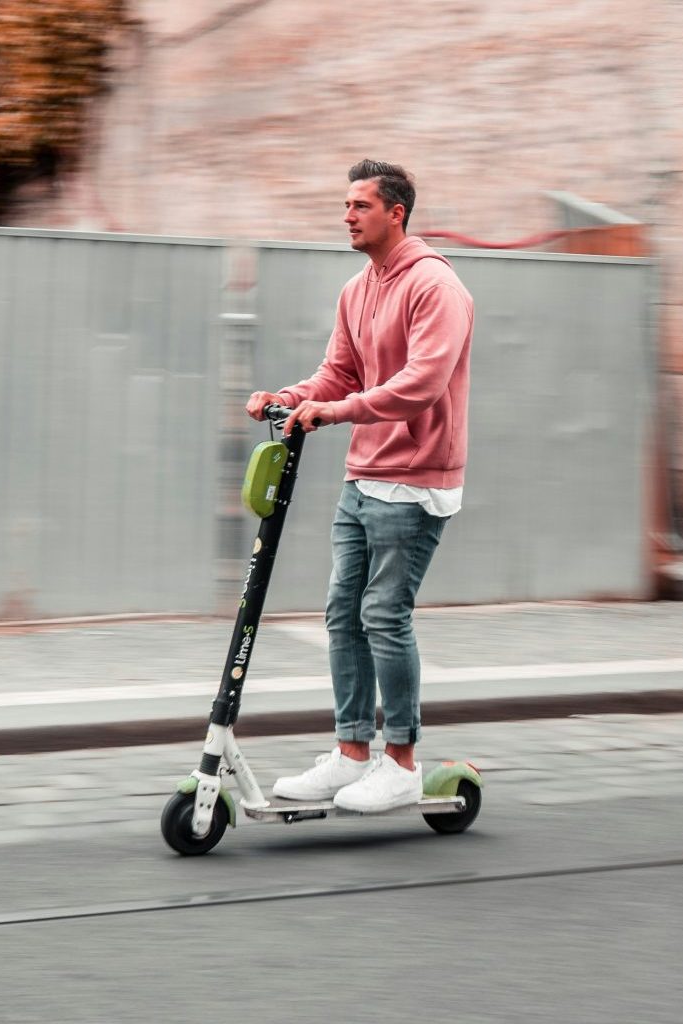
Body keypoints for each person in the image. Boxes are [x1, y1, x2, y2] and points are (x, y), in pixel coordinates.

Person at [246, 160, 475, 813]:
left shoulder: (436, 287)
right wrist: (288, 398)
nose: (347, 215)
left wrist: (338, 412)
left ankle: (400, 761)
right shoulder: (358, 289)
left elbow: (422, 385)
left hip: (417, 476)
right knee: (342, 613)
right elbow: (337, 372)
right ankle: (351, 754)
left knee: (384, 613)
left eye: (360, 205)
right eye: (346, 205)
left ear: (395, 212)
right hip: (365, 474)